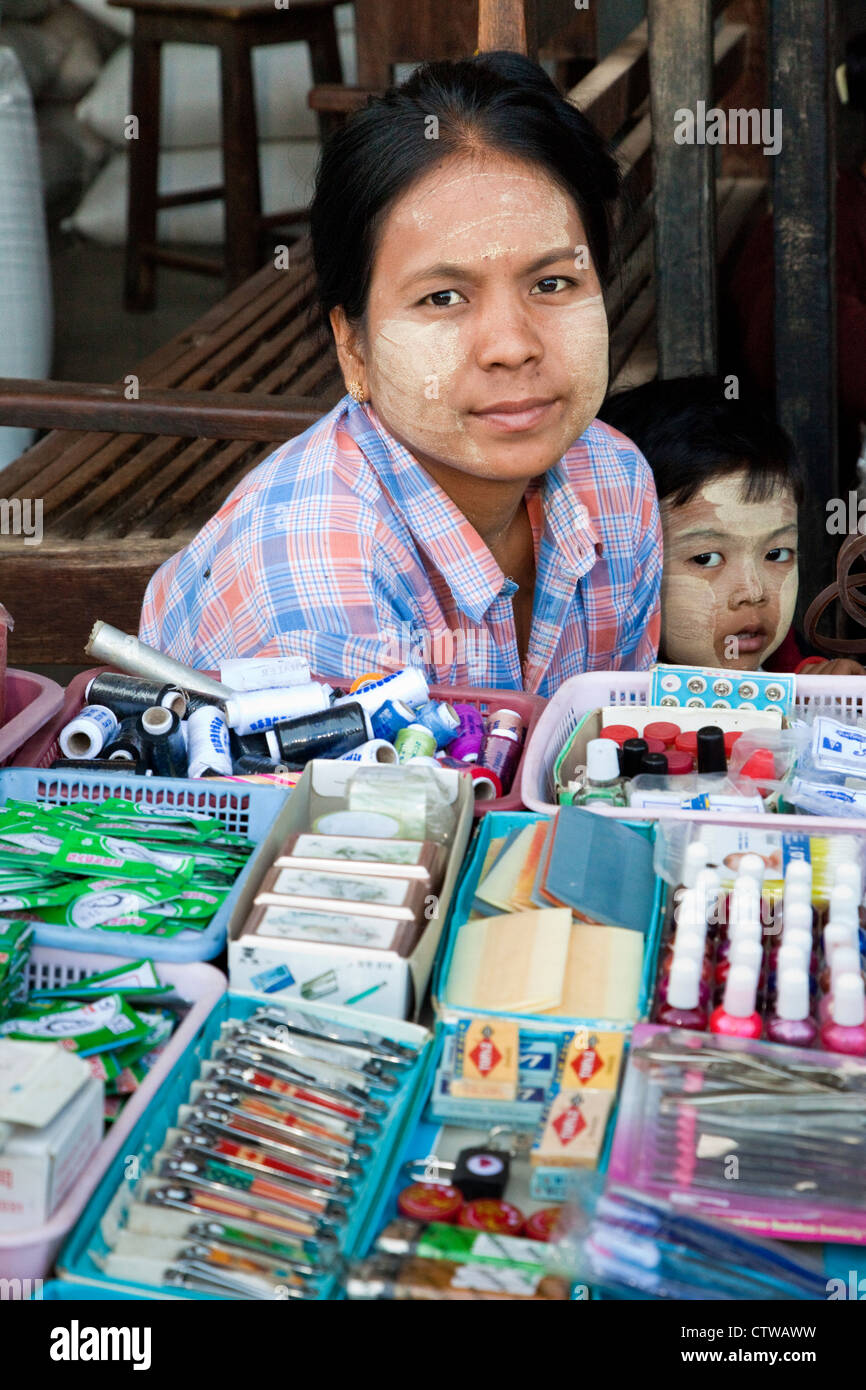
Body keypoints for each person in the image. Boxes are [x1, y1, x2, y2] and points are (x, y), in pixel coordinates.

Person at [139, 52, 662, 695]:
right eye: (443, 297)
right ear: (352, 347)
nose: (512, 346)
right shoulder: (319, 593)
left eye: (552, 282)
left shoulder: (614, 484)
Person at [598, 376, 865, 676]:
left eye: (776, 554)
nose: (753, 592)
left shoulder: (786, 660)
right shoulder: (600, 695)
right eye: (706, 558)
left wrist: (818, 678)